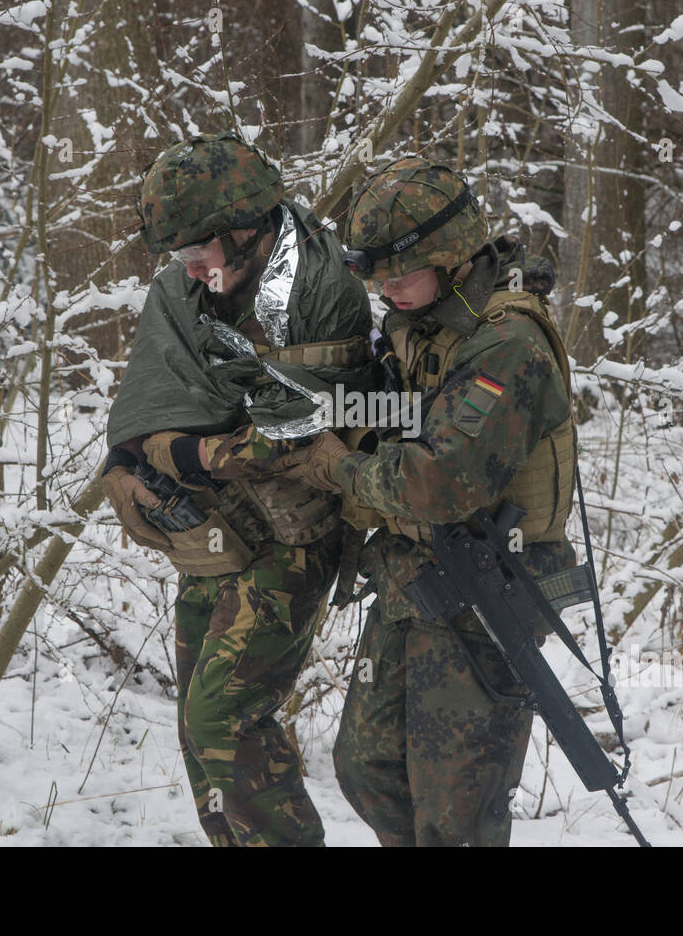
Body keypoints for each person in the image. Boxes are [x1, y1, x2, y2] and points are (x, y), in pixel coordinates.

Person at [278, 158, 578, 846]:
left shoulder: (509, 344)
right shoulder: (422, 325)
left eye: (400, 275)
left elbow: (440, 483)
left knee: (457, 819)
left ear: (451, 258)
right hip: (414, 580)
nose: (387, 290)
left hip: (487, 596)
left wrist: (339, 466)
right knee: (368, 769)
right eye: (377, 277)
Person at [101, 132, 373, 846]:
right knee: (198, 728)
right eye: (178, 258)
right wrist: (136, 465)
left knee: (225, 715)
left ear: (247, 230)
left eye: (199, 255)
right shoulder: (185, 285)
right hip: (209, 530)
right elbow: (146, 409)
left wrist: (189, 449)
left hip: (293, 532)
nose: (188, 272)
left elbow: (296, 436)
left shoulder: (320, 287)